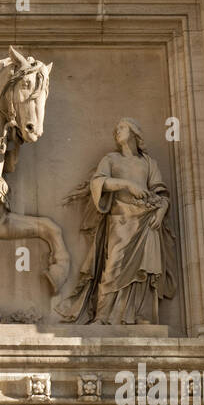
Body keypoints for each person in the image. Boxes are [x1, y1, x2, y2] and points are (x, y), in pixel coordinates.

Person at [58, 117, 175, 325]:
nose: (116, 131)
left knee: (144, 268)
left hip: (147, 220)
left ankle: (140, 315)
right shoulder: (111, 159)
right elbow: (98, 182)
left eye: (121, 127)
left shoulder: (148, 163)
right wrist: (127, 184)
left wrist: (161, 210)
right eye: (115, 129)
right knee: (113, 266)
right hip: (120, 220)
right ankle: (102, 317)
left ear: (134, 132)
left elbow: (161, 192)